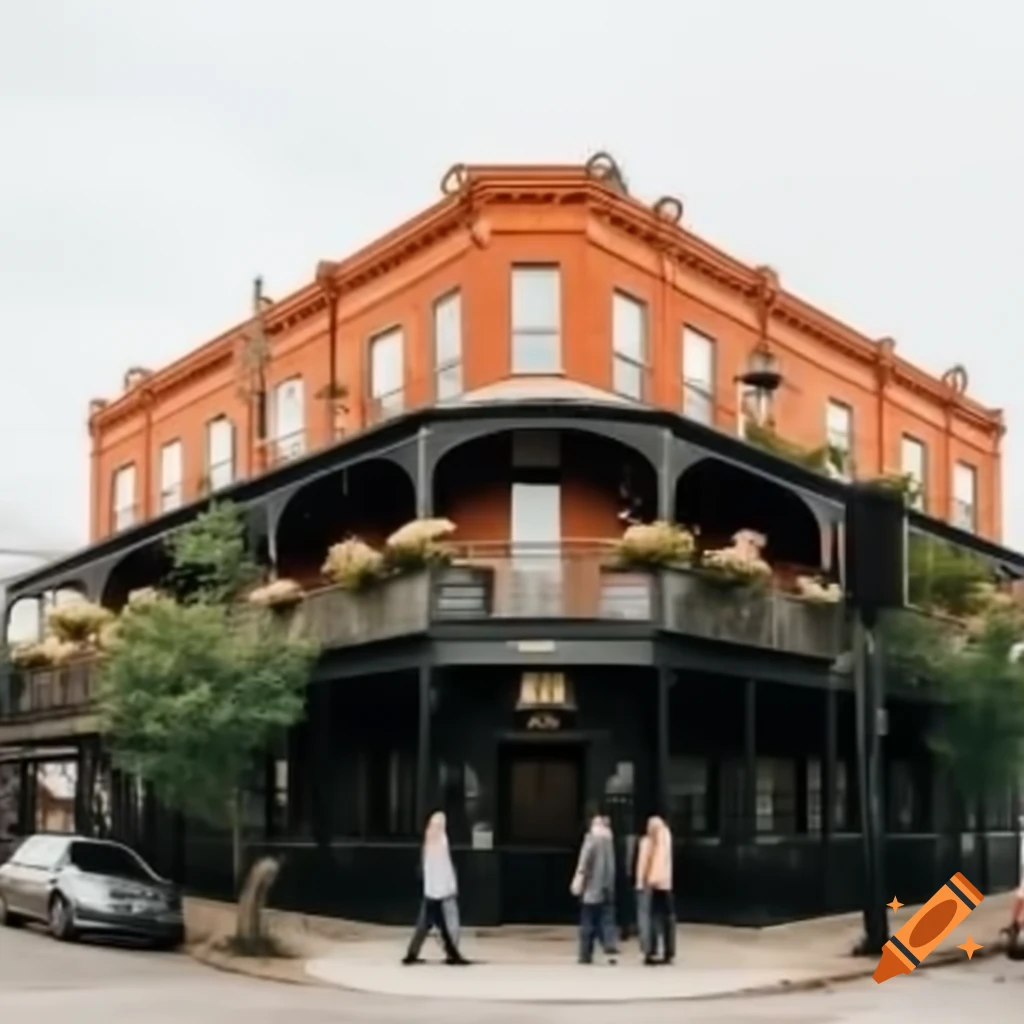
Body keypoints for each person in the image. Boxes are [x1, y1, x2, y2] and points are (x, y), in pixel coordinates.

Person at [402, 811, 469, 965]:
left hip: (430, 891)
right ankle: (453, 953)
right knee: (452, 922)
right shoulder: (443, 842)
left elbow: (425, 868)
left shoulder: (428, 843)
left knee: (423, 925)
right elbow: (446, 867)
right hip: (445, 891)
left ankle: (412, 953)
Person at [571, 815, 617, 964]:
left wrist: (579, 882)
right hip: (606, 888)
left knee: (587, 922)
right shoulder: (609, 841)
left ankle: (585, 954)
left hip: (591, 888)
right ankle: (609, 945)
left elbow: (583, 864)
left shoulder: (591, 841)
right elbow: (611, 867)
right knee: (606, 919)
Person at [635, 815, 675, 965]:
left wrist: (644, 881)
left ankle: (650, 950)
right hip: (665, 884)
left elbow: (644, 864)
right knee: (666, 919)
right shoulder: (665, 838)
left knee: (649, 918)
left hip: (652, 884)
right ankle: (667, 951)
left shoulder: (649, 842)